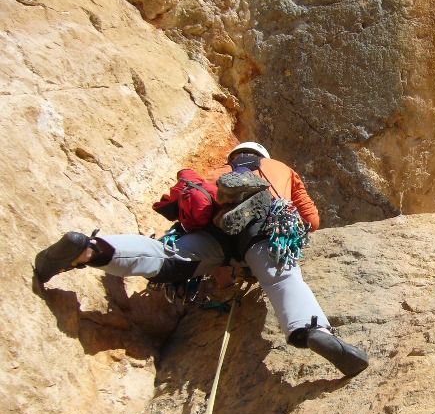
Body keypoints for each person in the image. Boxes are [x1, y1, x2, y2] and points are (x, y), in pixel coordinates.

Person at [34, 142, 369, 377]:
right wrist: (299, 232)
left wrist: (223, 274)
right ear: (262, 156)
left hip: (211, 231)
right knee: (281, 277)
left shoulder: (213, 170)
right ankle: (310, 329)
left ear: (235, 158)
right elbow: (310, 218)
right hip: (265, 226)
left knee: (167, 259)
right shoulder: (282, 168)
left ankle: (93, 249)